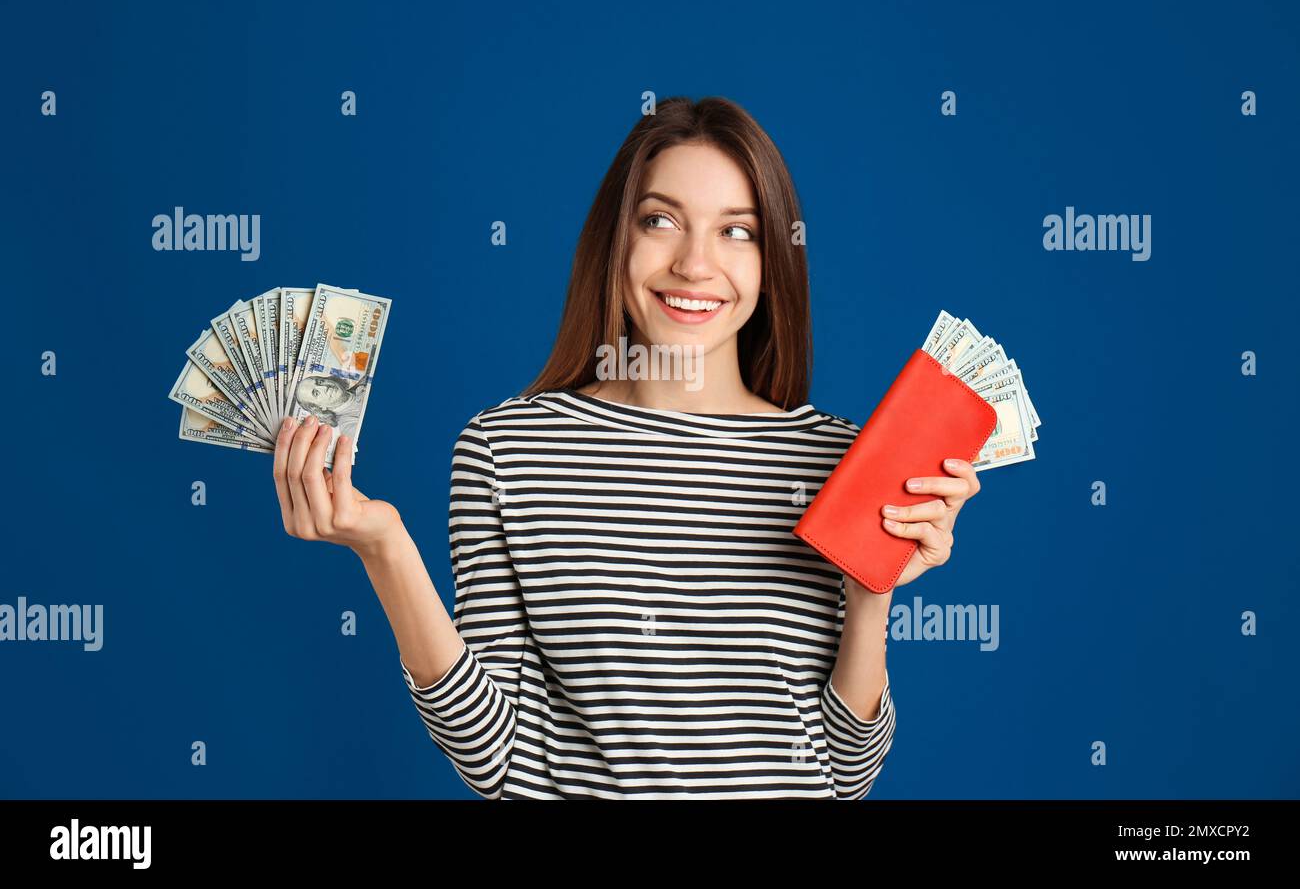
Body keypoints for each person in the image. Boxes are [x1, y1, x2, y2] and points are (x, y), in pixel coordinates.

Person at [271, 96, 983, 799]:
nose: (696, 264)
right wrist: (386, 547)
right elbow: (495, 760)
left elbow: (845, 774)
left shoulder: (837, 458)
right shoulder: (508, 450)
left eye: (738, 231)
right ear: (617, 238)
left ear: (774, 260)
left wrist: (872, 591)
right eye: (661, 220)